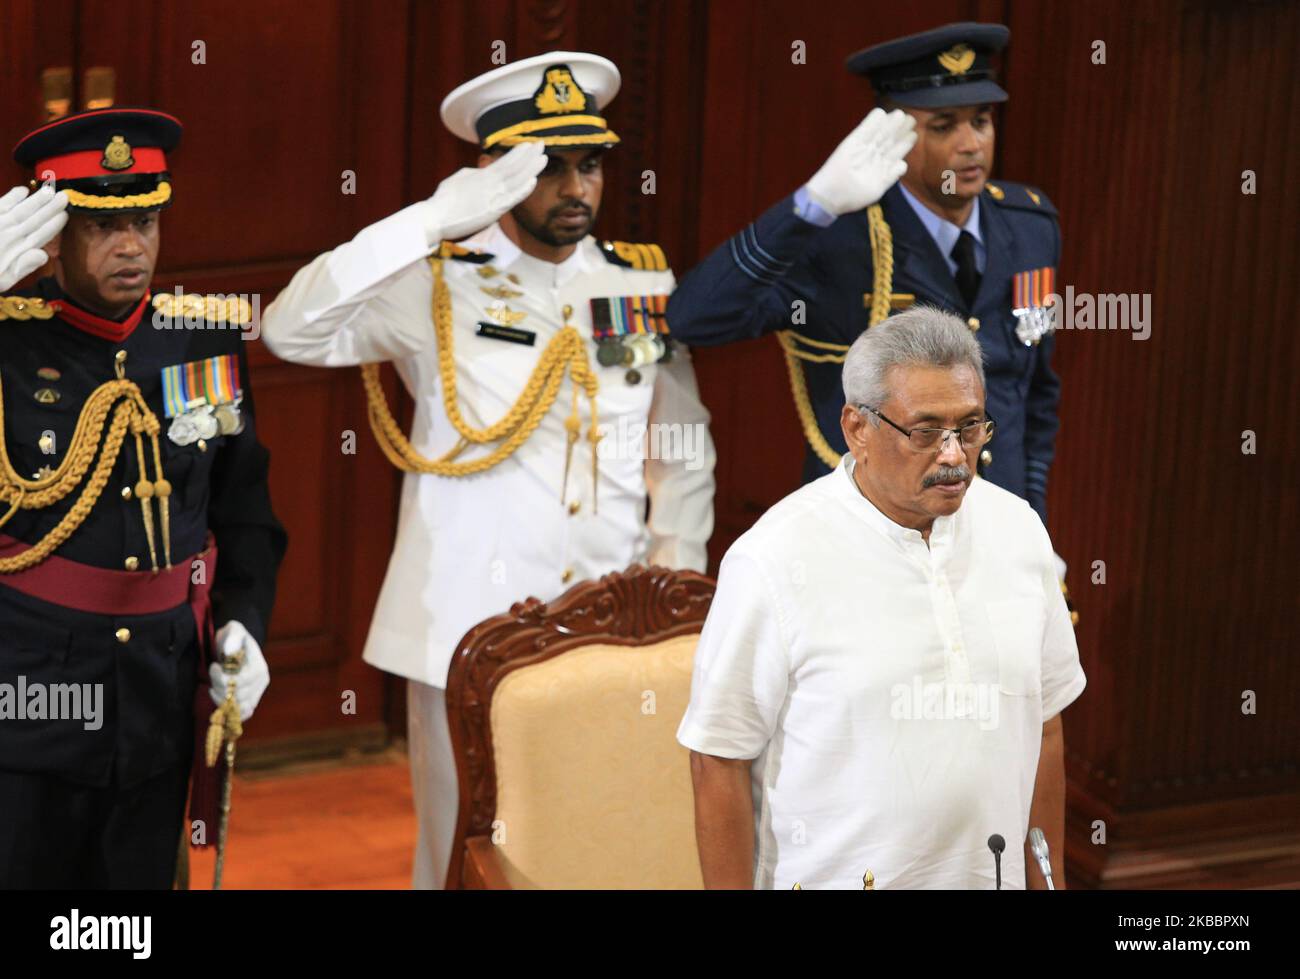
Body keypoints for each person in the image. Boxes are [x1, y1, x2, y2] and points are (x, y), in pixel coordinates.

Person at [261, 52, 716, 889]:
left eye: (589, 165)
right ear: (494, 173)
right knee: (463, 851)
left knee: (605, 839)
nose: (575, 187)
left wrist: (676, 576)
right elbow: (290, 330)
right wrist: (429, 220)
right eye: (548, 169)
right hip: (468, 626)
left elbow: (682, 444)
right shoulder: (432, 281)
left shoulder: (641, 280)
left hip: (616, 625)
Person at [678, 306, 1084, 889]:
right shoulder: (771, 559)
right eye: (925, 432)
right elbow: (717, 760)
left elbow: (1044, 726)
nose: (952, 455)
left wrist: (1048, 885)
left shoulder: (1019, 529)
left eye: (969, 428)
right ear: (857, 428)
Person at [0, 107, 286, 887]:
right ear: (54, 236)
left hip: (159, 693)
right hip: (32, 700)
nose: (133, 245)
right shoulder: (8, 338)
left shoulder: (200, 338)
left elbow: (246, 514)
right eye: (103, 226)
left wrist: (243, 624)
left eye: (147, 220)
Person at [667, 22, 1064, 527]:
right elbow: (692, 318)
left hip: (989, 526)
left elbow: (1036, 394)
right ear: (893, 134)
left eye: (981, 121)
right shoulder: (838, 238)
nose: (970, 145)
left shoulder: (1029, 227)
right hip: (867, 529)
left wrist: (1033, 521)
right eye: (943, 126)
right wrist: (810, 207)